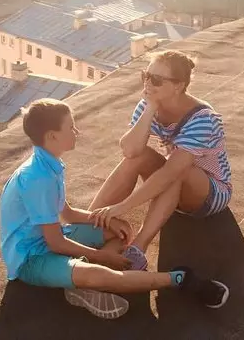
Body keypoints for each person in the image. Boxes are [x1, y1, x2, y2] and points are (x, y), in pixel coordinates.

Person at [0, 98, 229, 319]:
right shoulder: (37, 178)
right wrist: (103, 255)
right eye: (71, 127)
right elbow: (55, 242)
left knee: (120, 229)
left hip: (50, 240)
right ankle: (178, 279)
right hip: (30, 258)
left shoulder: (49, 164)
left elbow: (67, 213)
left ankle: (76, 278)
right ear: (52, 136)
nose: (76, 131)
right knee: (101, 276)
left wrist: (108, 217)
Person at [88, 50, 233, 272]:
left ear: (178, 85)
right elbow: (130, 150)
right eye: (145, 75)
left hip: (209, 193)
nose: (147, 83)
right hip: (173, 185)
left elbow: (171, 172)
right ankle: (87, 226)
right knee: (141, 156)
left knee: (178, 168)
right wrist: (151, 109)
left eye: (156, 79)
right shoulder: (149, 103)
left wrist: (122, 207)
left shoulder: (204, 119)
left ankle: (137, 250)